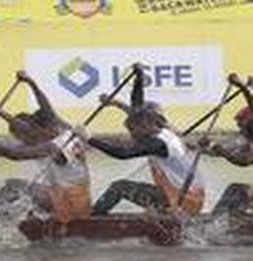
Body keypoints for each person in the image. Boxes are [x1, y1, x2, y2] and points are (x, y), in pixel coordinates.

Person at [0, 72, 92, 223]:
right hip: (72, 197)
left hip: (71, 203)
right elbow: (41, 115)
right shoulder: (65, 131)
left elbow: (15, 154)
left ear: (38, 129)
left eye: (24, 137)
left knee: (13, 186)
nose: (25, 141)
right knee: (21, 193)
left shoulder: (52, 146)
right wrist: (30, 83)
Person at [86, 86, 205, 216]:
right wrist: (116, 103)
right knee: (149, 211)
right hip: (185, 195)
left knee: (119, 187)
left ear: (145, 125)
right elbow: (136, 112)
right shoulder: (162, 131)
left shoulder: (158, 144)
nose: (132, 135)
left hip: (184, 200)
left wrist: (88, 139)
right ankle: (159, 212)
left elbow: (122, 154)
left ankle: (89, 220)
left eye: (133, 130)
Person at [199, 74, 253, 215]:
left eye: (242, 125)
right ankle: (222, 224)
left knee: (238, 191)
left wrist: (242, 87)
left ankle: (215, 226)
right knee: (239, 190)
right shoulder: (247, 141)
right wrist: (205, 148)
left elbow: (243, 161)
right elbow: (229, 153)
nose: (240, 129)